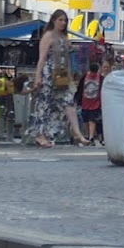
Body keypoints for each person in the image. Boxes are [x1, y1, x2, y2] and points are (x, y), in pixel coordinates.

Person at [28, 9, 87, 148]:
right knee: (44, 105)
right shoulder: (48, 36)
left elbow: (66, 58)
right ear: (54, 20)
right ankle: (40, 134)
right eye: (60, 20)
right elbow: (41, 58)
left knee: (68, 103)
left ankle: (77, 132)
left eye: (65, 20)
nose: (63, 23)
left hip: (61, 75)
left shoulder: (64, 37)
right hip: (48, 74)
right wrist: (38, 76)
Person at [76, 60, 104, 145]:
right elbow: (80, 88)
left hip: (95, 103)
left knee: (92, 120)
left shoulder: (101, 78)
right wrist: (78, 100)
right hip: (85, 102)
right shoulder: (84, 77)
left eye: (94, 73)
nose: (93, 75)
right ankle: (88, 135)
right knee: (85, 121)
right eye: (92, 73)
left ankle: (91, 137)